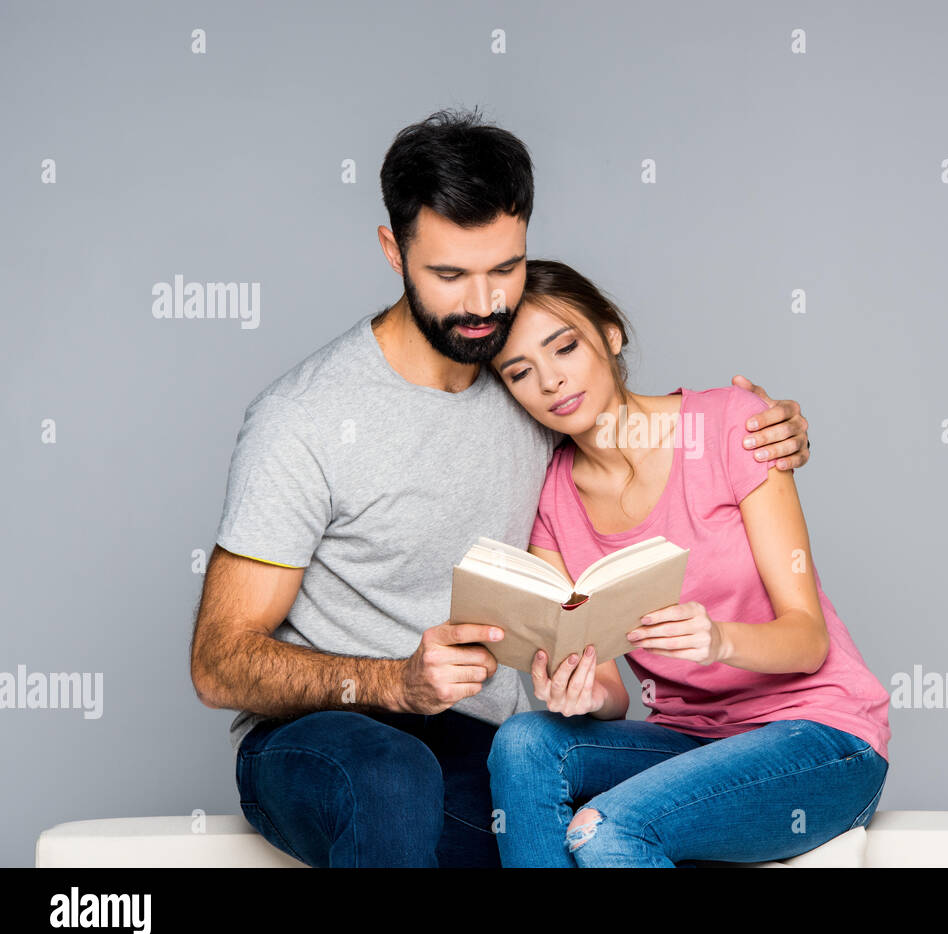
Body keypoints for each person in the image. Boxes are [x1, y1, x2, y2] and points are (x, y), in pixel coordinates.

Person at [188, 108, 813, 868]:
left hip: (480, 736)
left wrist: (769, 425)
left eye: (505, 268)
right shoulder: (304, 420)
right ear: (393, 251)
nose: (483, 303)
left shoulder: (525, 381)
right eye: (449, 275)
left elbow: (638, 423)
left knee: (582, 820)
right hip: (328, 732)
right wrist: (396, 682)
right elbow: (218, 662)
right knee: (393, 779)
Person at [484, 260, 892, 867]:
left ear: (610, 335)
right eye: (521, 372)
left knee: (607, 831)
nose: (550, 381)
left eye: (564, 347)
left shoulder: (731, 425)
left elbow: (808, 640)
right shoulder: (553, 500)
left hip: (819, 739)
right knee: (524, 741)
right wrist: (574, 693)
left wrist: (719, 640)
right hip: (687, 743)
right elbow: (609, 694)